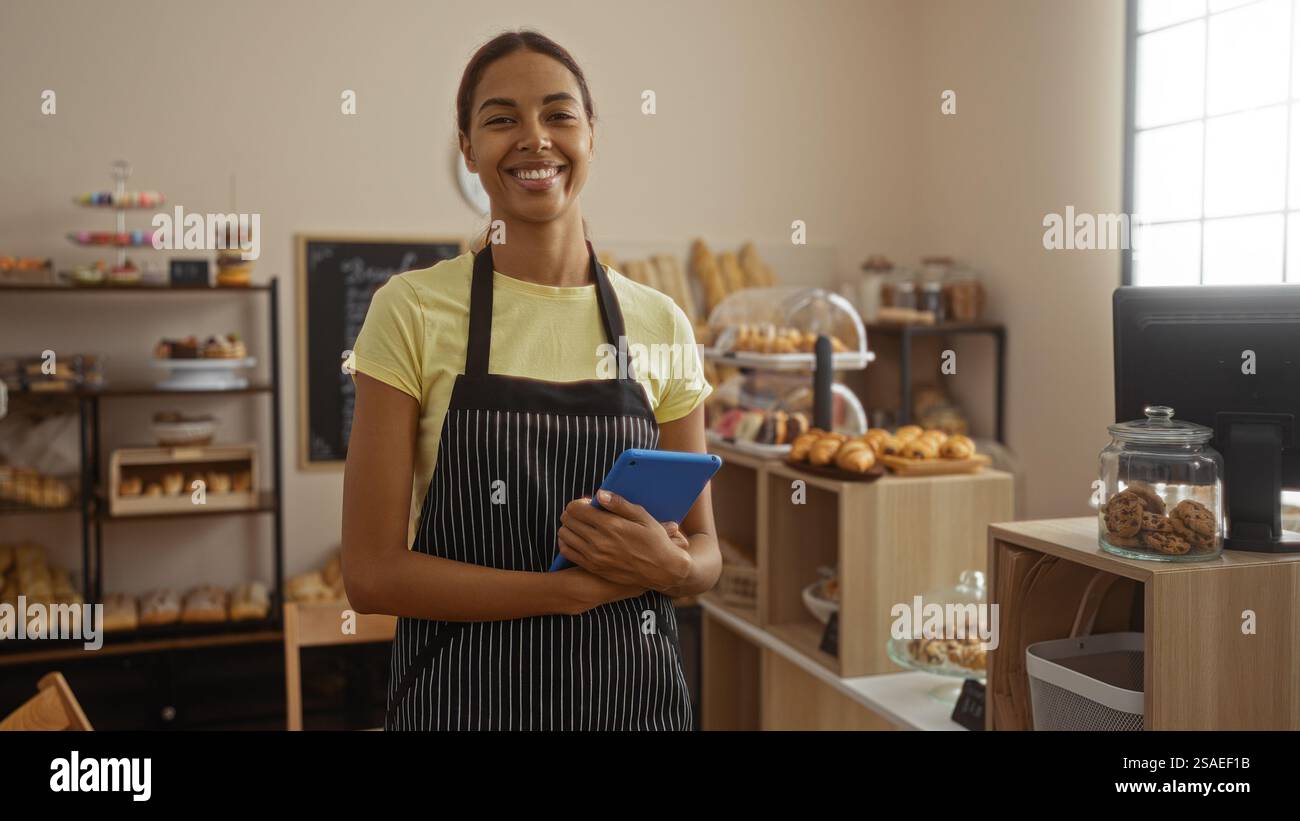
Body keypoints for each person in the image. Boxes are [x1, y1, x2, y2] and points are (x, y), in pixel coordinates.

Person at [341, 30, 720, 730]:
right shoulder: (412, 309)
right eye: (501, 119)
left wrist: (668, 568)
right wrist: (561, 592)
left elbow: (705, 552)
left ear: (592, 134)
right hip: (463, 703)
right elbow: (368, 575)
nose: (534, 139)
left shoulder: (660, 322)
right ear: (467, 148)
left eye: (558, 114)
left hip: (634, 703)